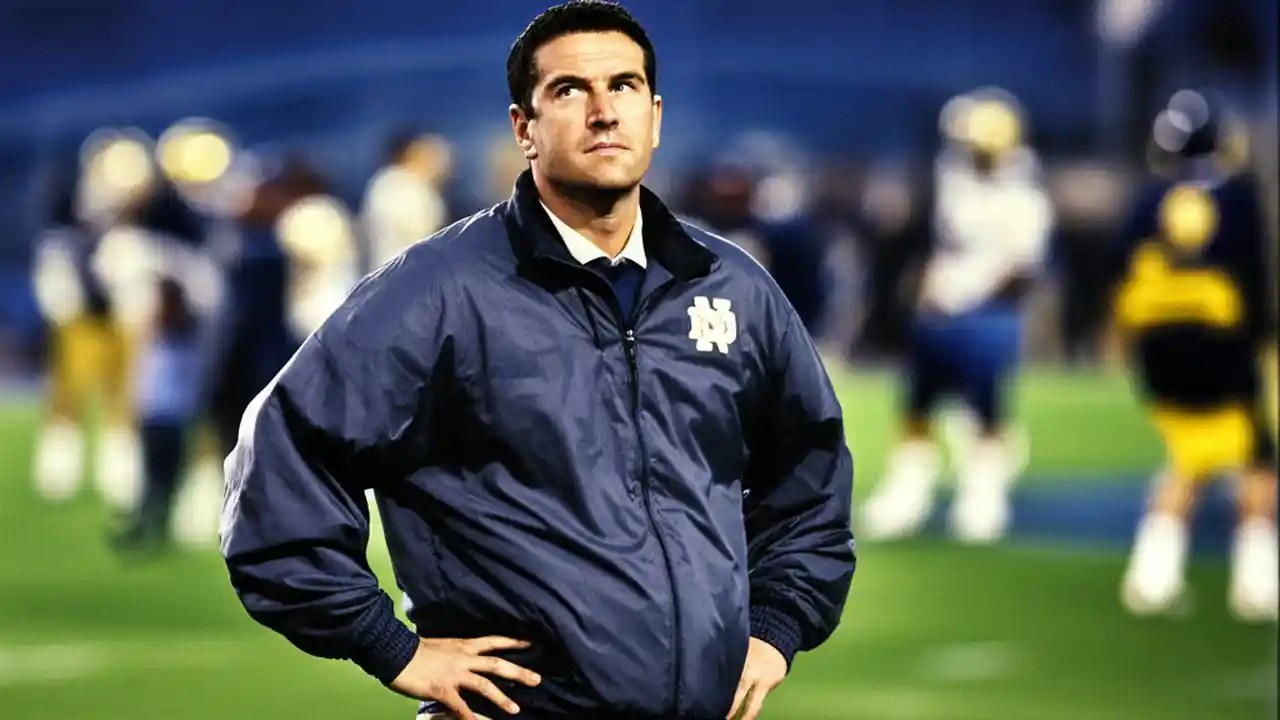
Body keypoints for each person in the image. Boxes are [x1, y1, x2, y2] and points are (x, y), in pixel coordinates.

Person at [219, 3, 856, 720]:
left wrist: (775, 627)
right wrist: (386, 645)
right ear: (524, 128)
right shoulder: (438, 290)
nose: (603, 112)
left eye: (622, 86)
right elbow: (283, 454)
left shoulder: (731, 286)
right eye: (569, 91)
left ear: (655, 114)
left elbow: (810, 477)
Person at [1110, 89, 1276, 622]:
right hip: (1220, 341)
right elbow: (1254, 276)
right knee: (1256, 459)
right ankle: (1257, 584)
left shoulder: (1144, 198)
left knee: (1187, 458)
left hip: (1158, 347)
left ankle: (1151, 576)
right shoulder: (1240, 195)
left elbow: (1121, 278)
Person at [860, 88, 1053, 544]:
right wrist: (929, 282)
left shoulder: (1024, 195)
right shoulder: (952, 175)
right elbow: (940, 241)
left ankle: (982, 497)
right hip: (940, 310)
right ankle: (910, 492)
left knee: (986, 407)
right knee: (917, 404)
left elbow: (1023, 267)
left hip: (987, 314)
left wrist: (968, 294)